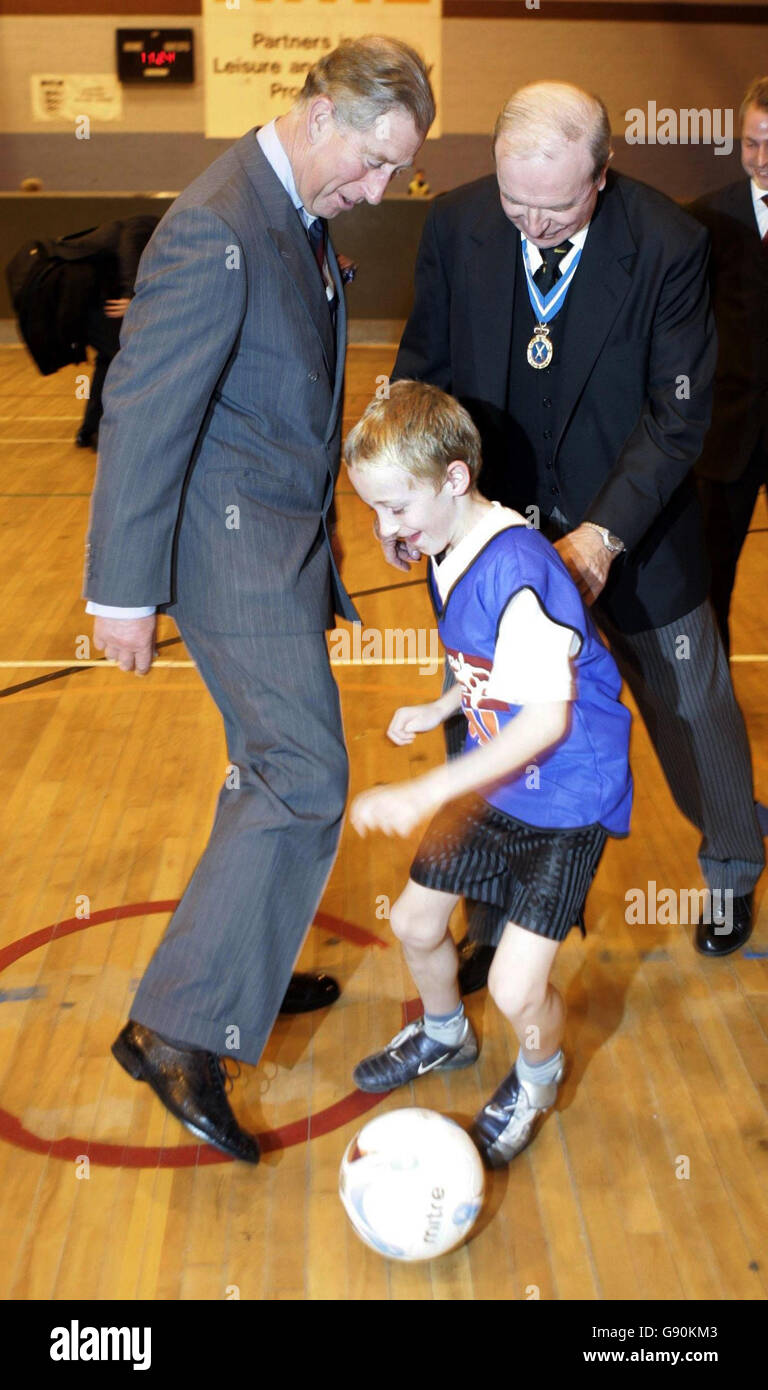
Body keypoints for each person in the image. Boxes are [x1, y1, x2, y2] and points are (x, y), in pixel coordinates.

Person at [84, 37, 434, 1164]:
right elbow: (142, 411)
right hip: (224, 559)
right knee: (307, 775)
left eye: (397, 174)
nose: (381, 192)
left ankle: (236, 970)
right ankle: (177, 1031)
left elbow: (286, 406)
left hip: (276, 553)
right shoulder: (219, 223)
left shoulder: (297, 215)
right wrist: (122, 591)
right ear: (321, 112)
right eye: (377, 162)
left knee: (264, 773)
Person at [387, 81, 764, 971]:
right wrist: (406, 495)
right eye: (514, 200)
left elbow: (677, 419)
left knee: (692, 706)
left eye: (553, 207)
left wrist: (600, 536)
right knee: (489, 712)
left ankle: (732, 868)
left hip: (635, 530)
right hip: (493, 541)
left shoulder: (671, 242)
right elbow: (420, 376)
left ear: (601, 175)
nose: (530, 224)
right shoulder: (455, 226)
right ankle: (492, 917)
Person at [345, 380, 632, 1166]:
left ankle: (539, 1077)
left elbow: (546, 718)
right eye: (371, 510)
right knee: (413, 923)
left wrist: (426, 787)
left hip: (567, 792)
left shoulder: (518, 571)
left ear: (456, 479)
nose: (386, 530)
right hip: (501, 777)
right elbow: (488, 665)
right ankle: (445, 1035)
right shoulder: (447, 543)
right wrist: (441, 711)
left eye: (397, 508)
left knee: (512, 988)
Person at [687, 77, 768, 658]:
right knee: (711, 578)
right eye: (751, 143)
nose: (761, 160)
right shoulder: (708, 219)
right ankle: (712, 700)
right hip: (727, 439)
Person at [67, 217, 160, 448]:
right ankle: (103, 431)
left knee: (109, 359)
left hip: (82, 295)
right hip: (82, 295)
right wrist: (131, 295)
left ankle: (90, 429)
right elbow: (129, 246)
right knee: (119, 360)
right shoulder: (143, 225)